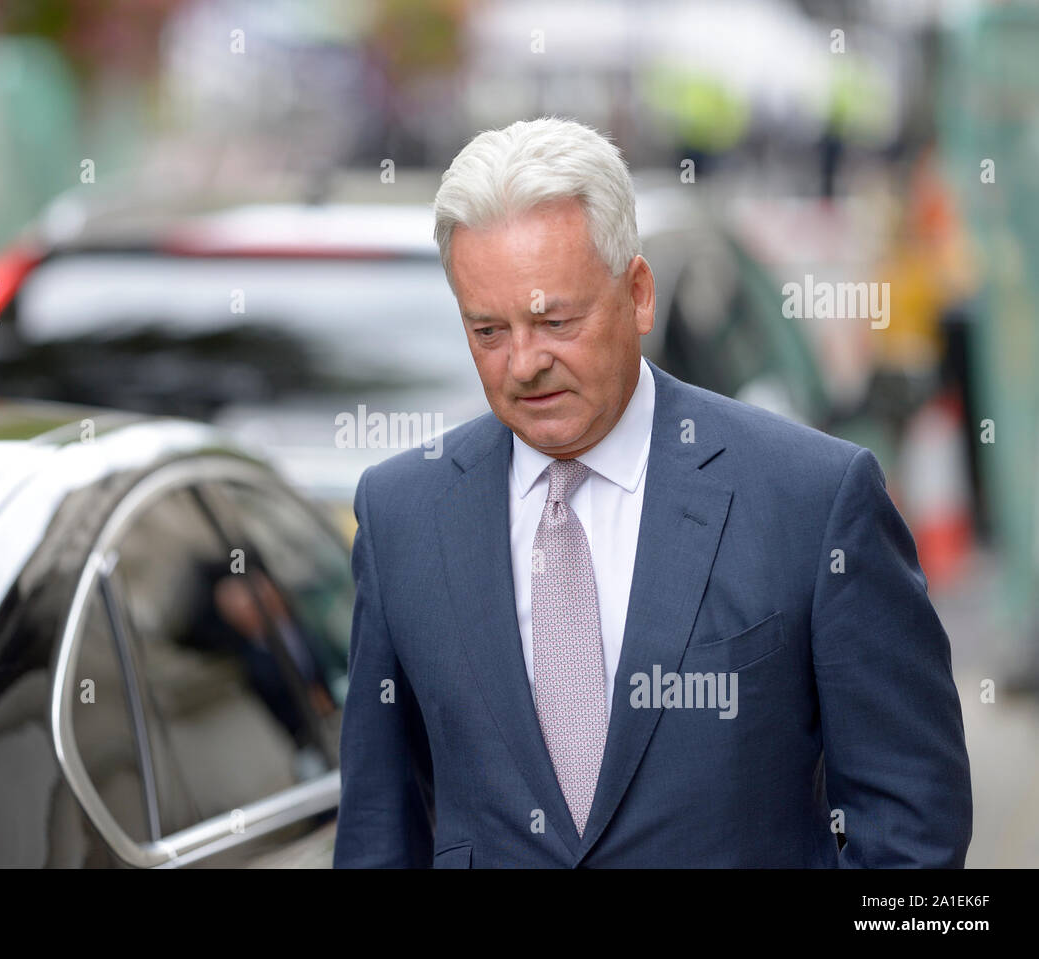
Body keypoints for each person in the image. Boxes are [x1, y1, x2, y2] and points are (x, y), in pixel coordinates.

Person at [332, 117, 972, 868]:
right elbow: (380, 827)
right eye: (488, 331)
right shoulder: (400, 513)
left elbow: (910, 821)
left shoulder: (812, 499)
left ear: (638, 295)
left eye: (554, 319)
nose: (524, 362)